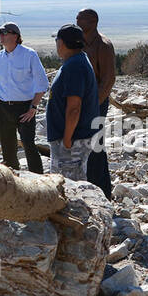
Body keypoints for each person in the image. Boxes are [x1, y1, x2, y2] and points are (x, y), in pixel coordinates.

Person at [0, 22, 48, 173]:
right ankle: (13, 182)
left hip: (24, 107)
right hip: (3, 108)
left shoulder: (29, 55)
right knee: (8, 149)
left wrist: (33, 108)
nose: (1, 36)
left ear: (15, 36)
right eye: (0, 33)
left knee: (29, 145)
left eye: (4, 33)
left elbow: (42, 84)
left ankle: (38, 181)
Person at [46, 24, 99, 182]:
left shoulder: (75, 66)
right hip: (71, 138)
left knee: (69, 186)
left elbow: (74, 107)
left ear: (61, 43)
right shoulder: (77, 61)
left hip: (72, 140)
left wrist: (67, 140)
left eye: (57, 40)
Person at [77, 8, 115, 199]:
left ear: (93, 21)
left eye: (81, 18)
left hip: (95, 104)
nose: (77, 20)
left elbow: (108, 80)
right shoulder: (79, 43)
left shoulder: (103, 45)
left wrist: (94, 104)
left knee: (96, 147)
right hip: (79, 103)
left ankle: (103, 193)